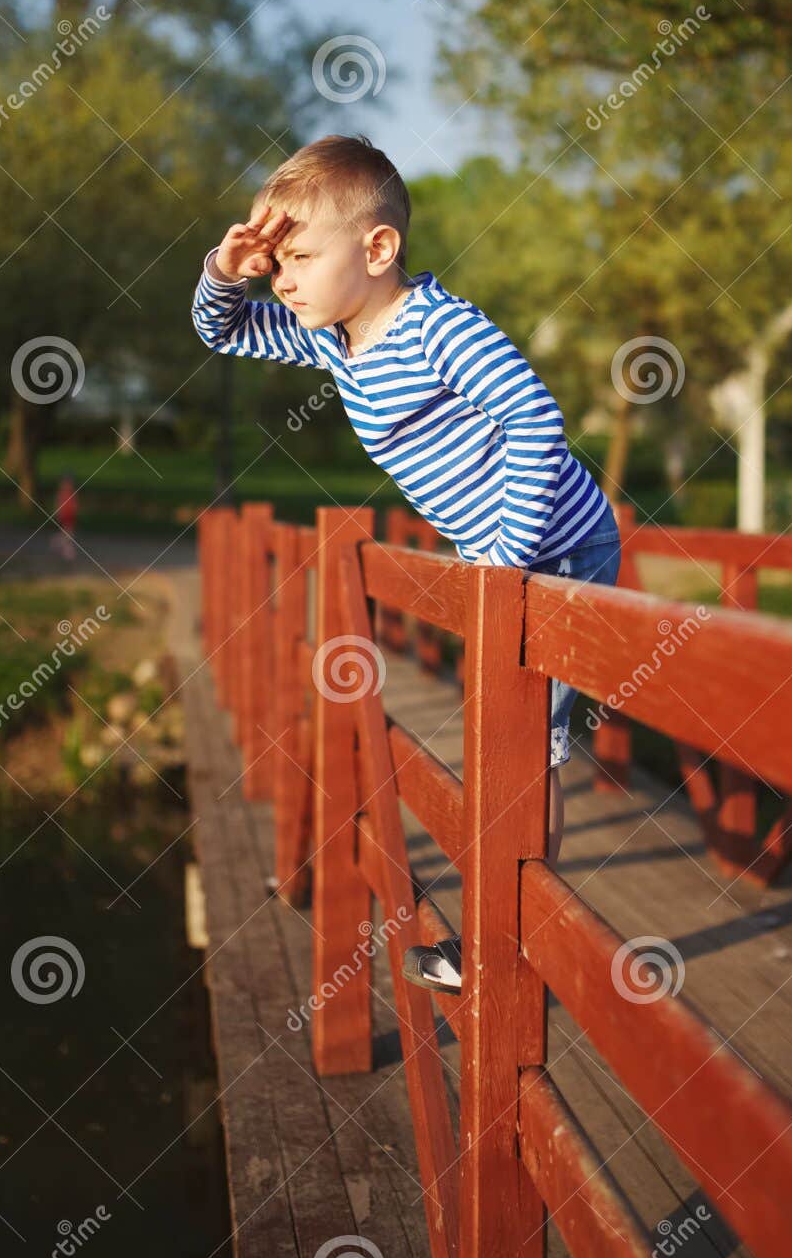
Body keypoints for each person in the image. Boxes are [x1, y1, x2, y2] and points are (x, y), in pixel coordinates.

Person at [190, 135, 623, 994]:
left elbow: (537, 425)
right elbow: (222, 330)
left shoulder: (438, 328)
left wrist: (501, 564)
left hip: (556, 545)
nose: (286, 277)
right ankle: (505, 933)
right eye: (280, 262)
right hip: (498, 557)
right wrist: (226, 265)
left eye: (301, 257)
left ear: (378, 249)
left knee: (520, 742)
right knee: (503, 736)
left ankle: (506, 943)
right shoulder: (332, 339)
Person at [51, 472, 78, 561]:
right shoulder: (63, 494)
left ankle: (67, 553)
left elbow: (74, 505)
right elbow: (59, 505)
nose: (68, 485)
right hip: (65, 518)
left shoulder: (70, 494)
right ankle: (68, 554)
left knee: (67, 536)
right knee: (68, 536)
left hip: (70, 518)